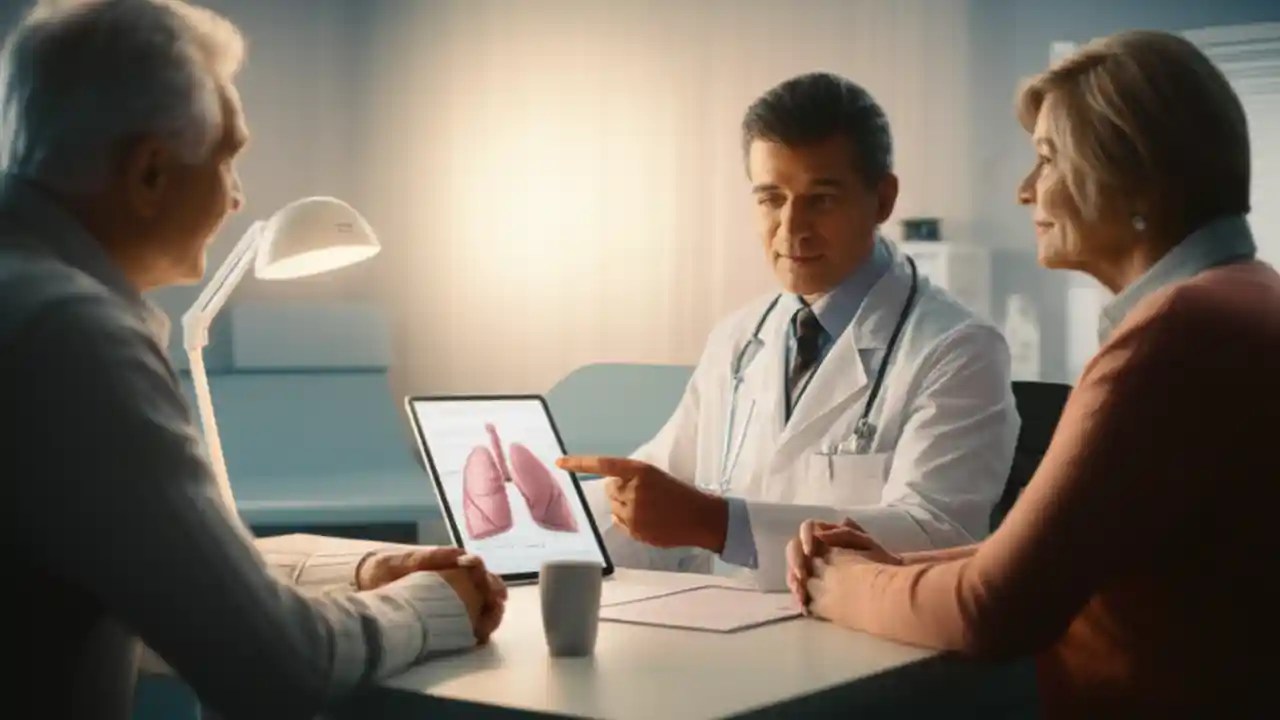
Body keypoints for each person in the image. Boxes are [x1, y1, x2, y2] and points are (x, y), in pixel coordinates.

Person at [0, 2, 505, 718]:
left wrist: (360, 570)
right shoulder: (71, 340)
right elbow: (279, 666)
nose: (239, 197)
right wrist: (436, 605)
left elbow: (154, 563)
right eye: (228, 155)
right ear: (148, 171)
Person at [786, 30, 1280, 716]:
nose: (1024, 191)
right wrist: (892, 568)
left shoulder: (1170, 339)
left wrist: (837, 584)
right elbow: (1054, 562)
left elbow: (994, 608)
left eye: (1047, 159)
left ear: (1132, 174)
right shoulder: (1250, 299)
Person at [559, 72, 1020, 590]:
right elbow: (658, 491)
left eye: (821, 198)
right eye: (771, 198)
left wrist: (716, 524)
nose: (791, 227)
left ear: (883, 199)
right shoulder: (737, 339)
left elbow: (938, 536)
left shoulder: (958, 349)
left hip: (860, 650)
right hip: (723, 635)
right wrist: (525, 535)